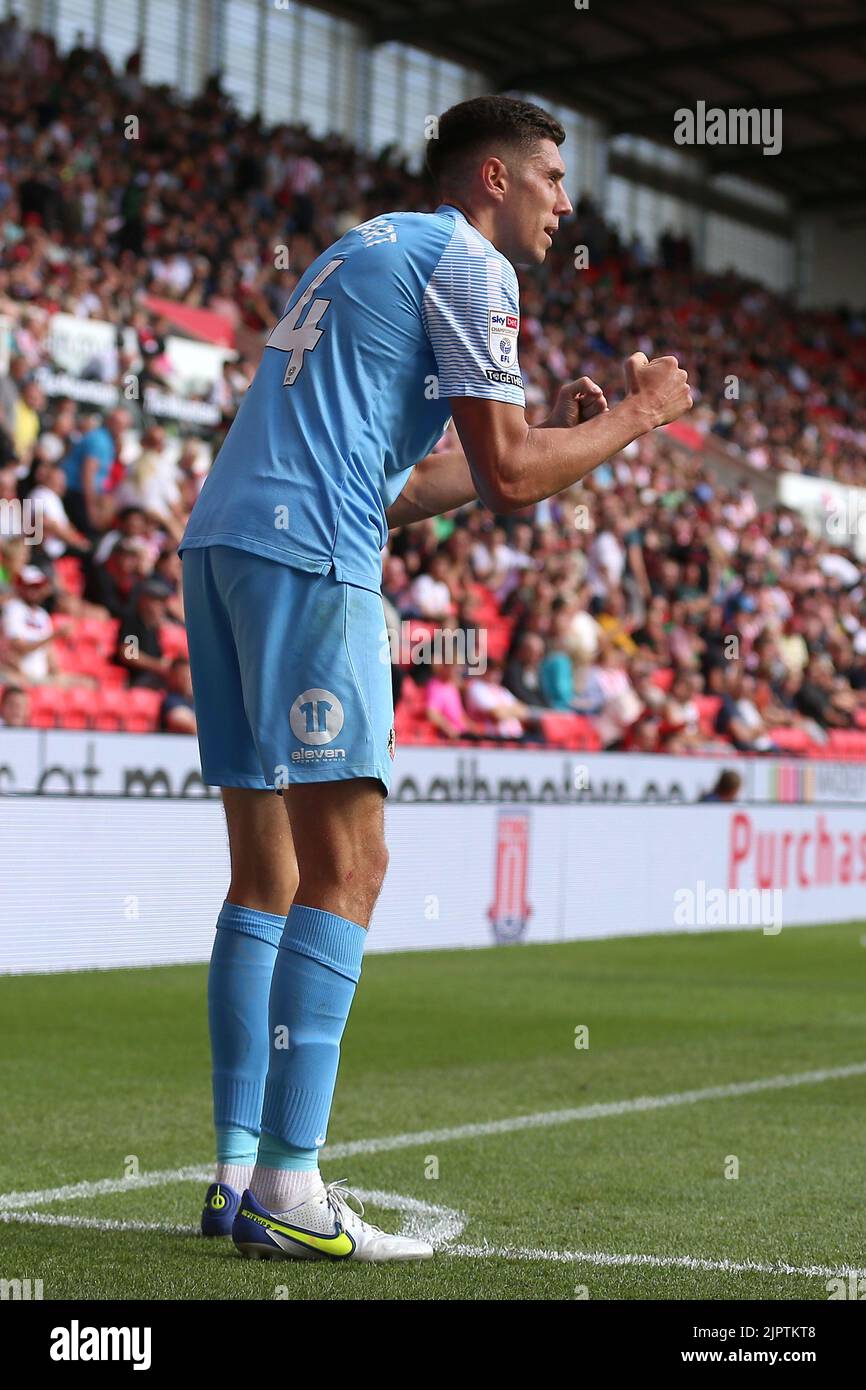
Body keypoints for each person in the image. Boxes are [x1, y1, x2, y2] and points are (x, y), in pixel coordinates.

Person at [178, 93, 693, 1263]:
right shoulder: (471, 263)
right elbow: (514, 480)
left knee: (264, 872)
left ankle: (234, 1167)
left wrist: (568, 433)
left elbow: (417, 485)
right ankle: (289, 1189)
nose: (568, 201)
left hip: (223, 547)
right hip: (310, 553)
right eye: (553, 176)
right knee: (350, 864)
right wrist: (642, 418)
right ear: (495, 179)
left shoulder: (367, 243)